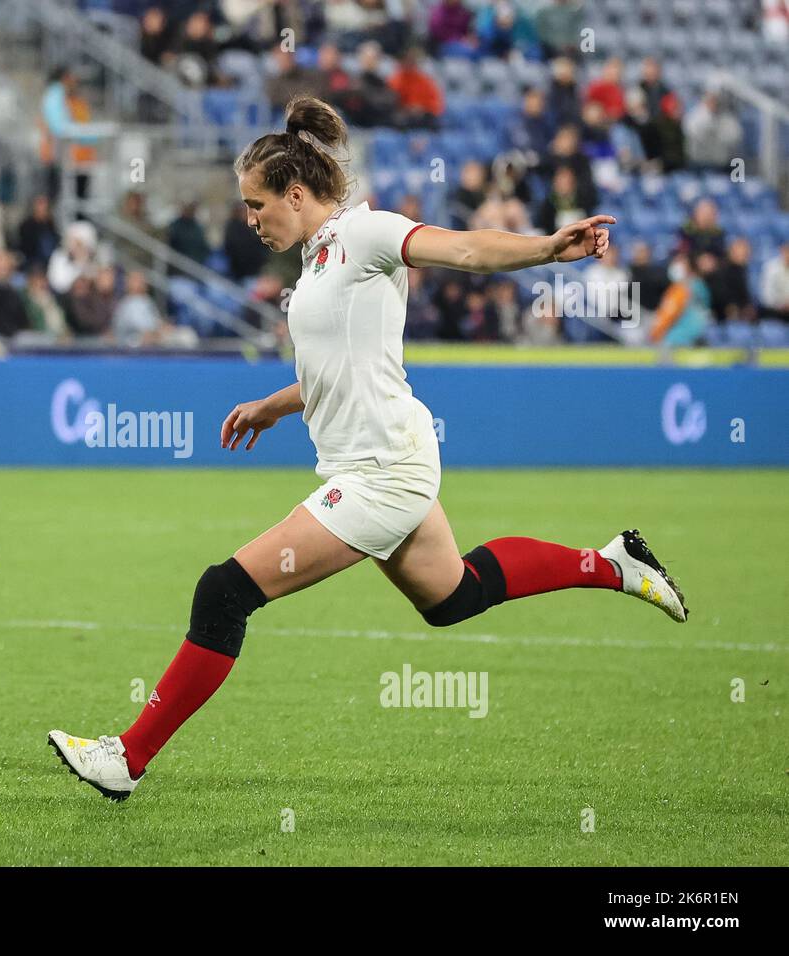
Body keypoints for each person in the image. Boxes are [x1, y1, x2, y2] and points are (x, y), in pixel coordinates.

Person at [47, 95, 688, 801]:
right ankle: (615, 564)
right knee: (455, 598)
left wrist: (545, 250)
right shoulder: (318, 262)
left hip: (381, 469)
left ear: (296, 194)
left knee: (222, 591)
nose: (251, 221)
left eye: (257, 206)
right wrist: (274, 404)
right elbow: (335, 366)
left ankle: (127, 760)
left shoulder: (369, 232)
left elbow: (466, 248)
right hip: (385, 458)